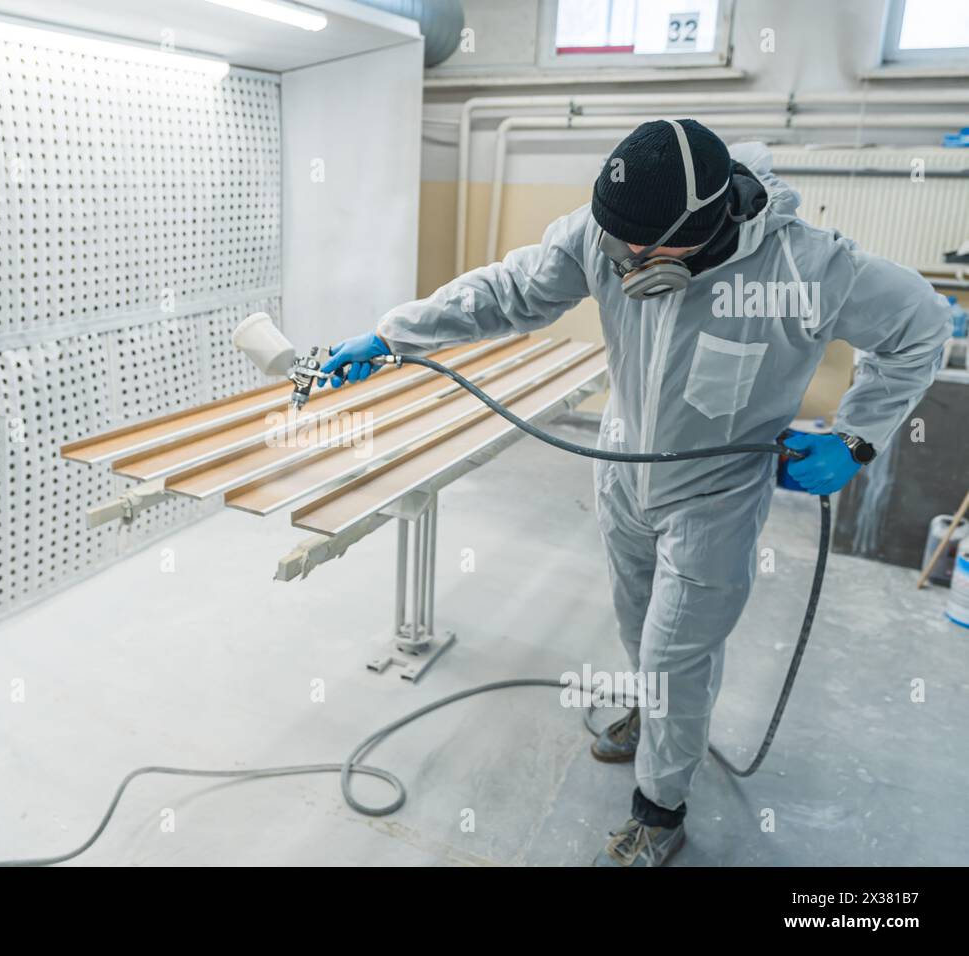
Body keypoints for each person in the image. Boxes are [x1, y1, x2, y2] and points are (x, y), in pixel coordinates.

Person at [320, 119, 951, 867]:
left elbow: (922, 327)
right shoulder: (605, 235)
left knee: (678, 650)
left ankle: (661, 807)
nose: (620, 263)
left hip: (715, 491)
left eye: (641, 251)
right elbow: (511, 291)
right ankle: (653, 713)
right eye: (612, 244)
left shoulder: (805, 268)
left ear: (707, 223)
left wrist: (855, 439)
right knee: (637, 620)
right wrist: (396, 335)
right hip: (622, 468)